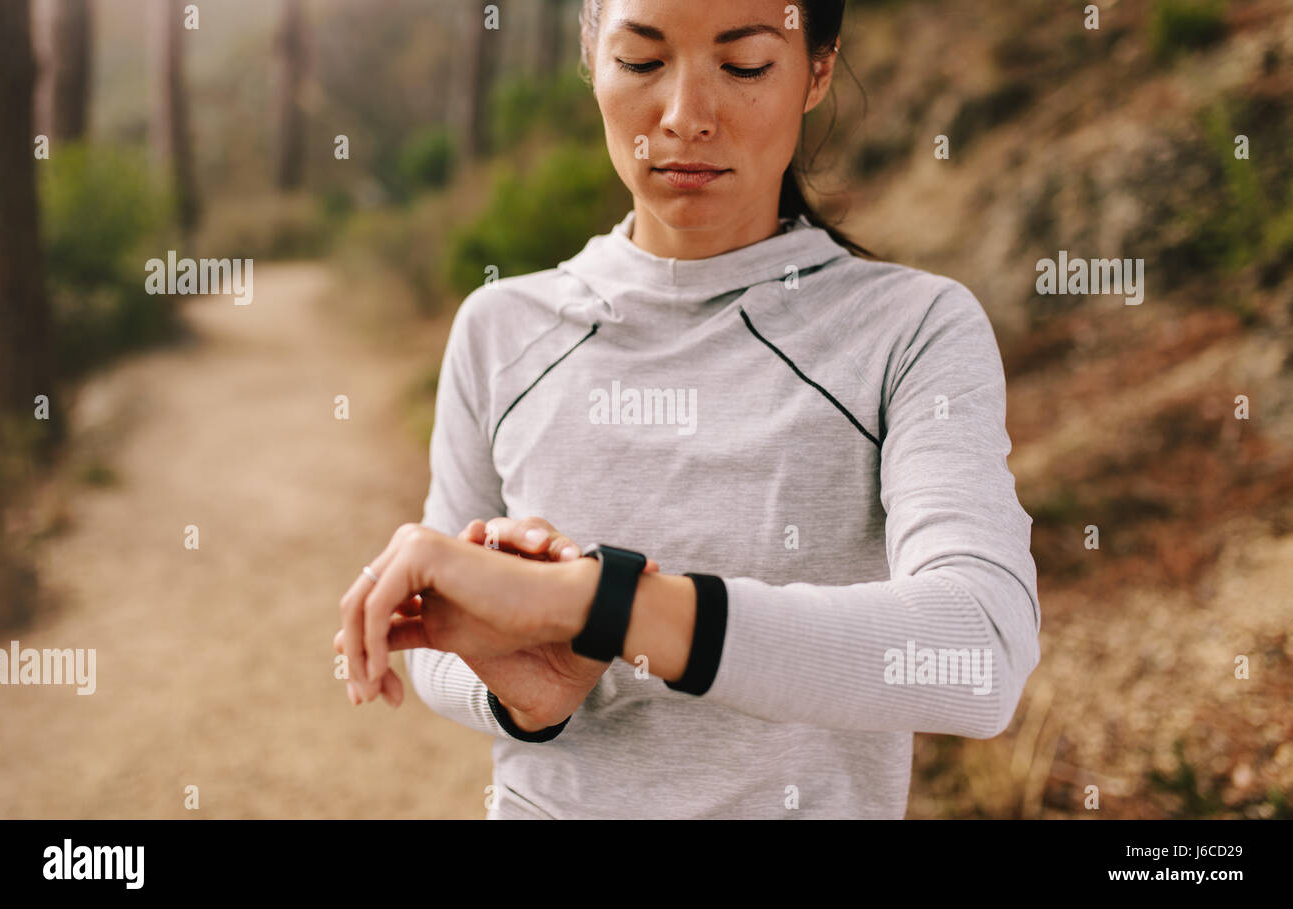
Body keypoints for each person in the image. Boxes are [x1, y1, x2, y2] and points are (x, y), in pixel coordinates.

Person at [335, 0, 1041, 819]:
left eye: (743, 66)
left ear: (817, 69)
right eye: (641, 62)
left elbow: (979, 649)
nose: (684, 118)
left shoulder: (908, 330)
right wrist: (524, 691)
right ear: (591, 55)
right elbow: (436, 640)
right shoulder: (499, 329)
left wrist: (608, 605)